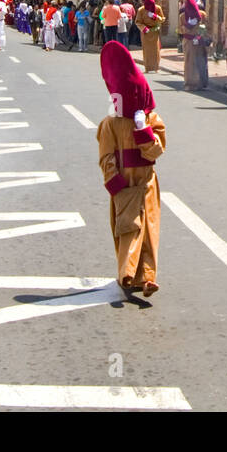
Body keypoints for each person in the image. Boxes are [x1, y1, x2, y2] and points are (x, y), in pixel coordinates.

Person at [97, 40, 166, 297]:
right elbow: (106, 158)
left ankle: (148, 278)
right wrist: (116, 184)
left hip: (147, 182)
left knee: (149, 229)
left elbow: (157, 150)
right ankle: (127, 275)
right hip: (125, 186)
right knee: (129, 229)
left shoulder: (150, 120)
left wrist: (144, 131)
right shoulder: (110, 124)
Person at [178, 0, 209, 91]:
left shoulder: (202, 15)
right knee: (189, 62)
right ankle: (190, 83)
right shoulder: (183, 16)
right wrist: (188, 25)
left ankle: (200, 82)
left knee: (200, 61)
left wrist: (199, 36)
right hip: (188, 41)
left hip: (199, 40)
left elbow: (205, 27)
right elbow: (180, 29)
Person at [136, 0, 165, 73]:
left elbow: (162, 19)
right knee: (147, 50)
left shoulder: (157, 8)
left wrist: (155, 16)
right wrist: (144, 28)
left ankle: (156, 67)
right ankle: (148, 68)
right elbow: (138, 22)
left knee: (155, 50)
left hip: (154, 32)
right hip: (146, 33)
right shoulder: (141, 10)